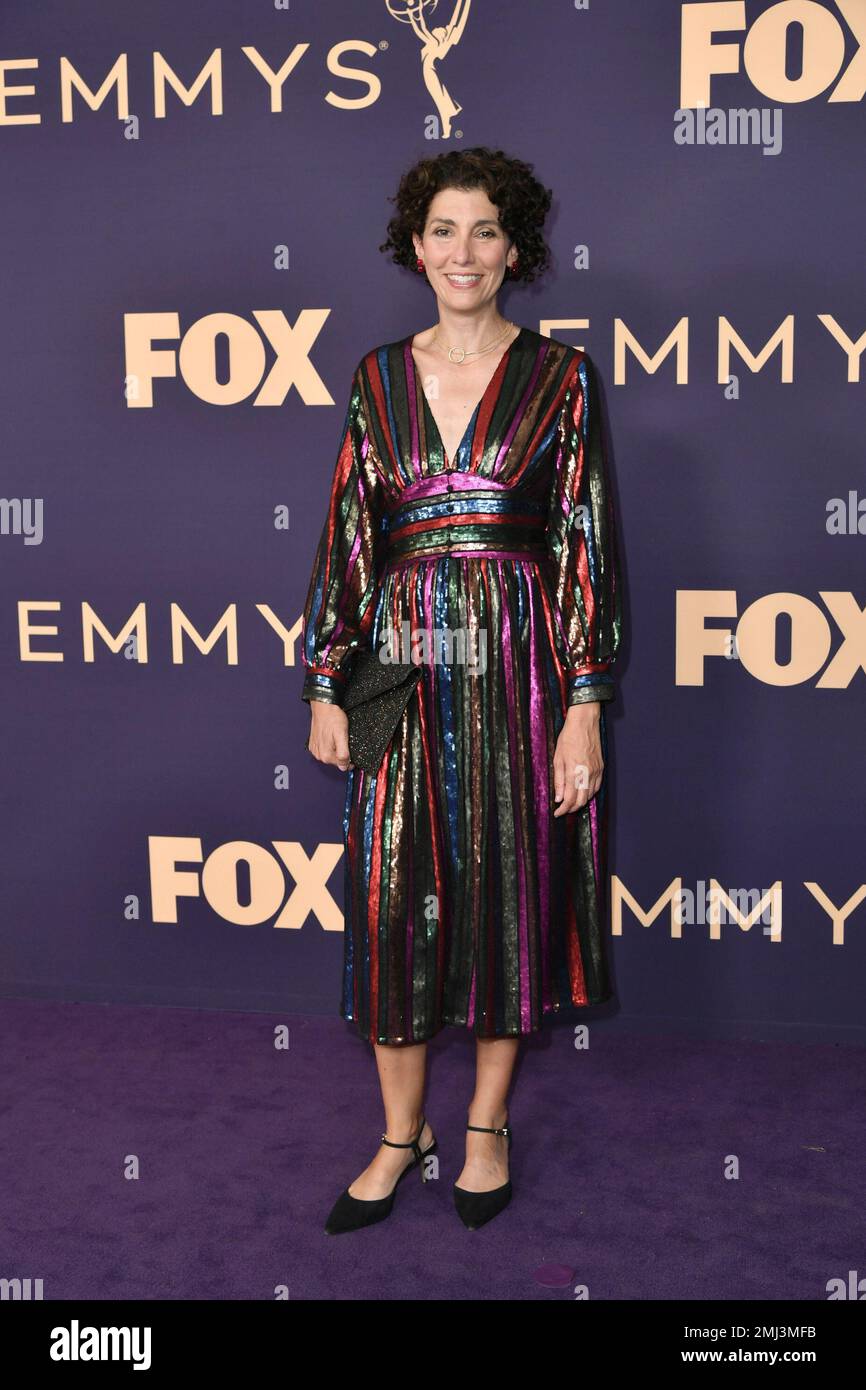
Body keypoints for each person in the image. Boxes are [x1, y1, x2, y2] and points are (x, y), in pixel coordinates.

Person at [300, 146, 623, 1234]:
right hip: (400, 656)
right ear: (415, 244)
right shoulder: (376, 375)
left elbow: (580, 540)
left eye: (484, 230)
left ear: (515, 247)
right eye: (443, 229)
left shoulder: (561, 376)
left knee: (504, 885)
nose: (463, 251)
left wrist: (582, 704)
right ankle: (402, 1132)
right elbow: (350, 535)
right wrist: (324, 681)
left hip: (520, 655)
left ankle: (483, 1122)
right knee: (393, 899)